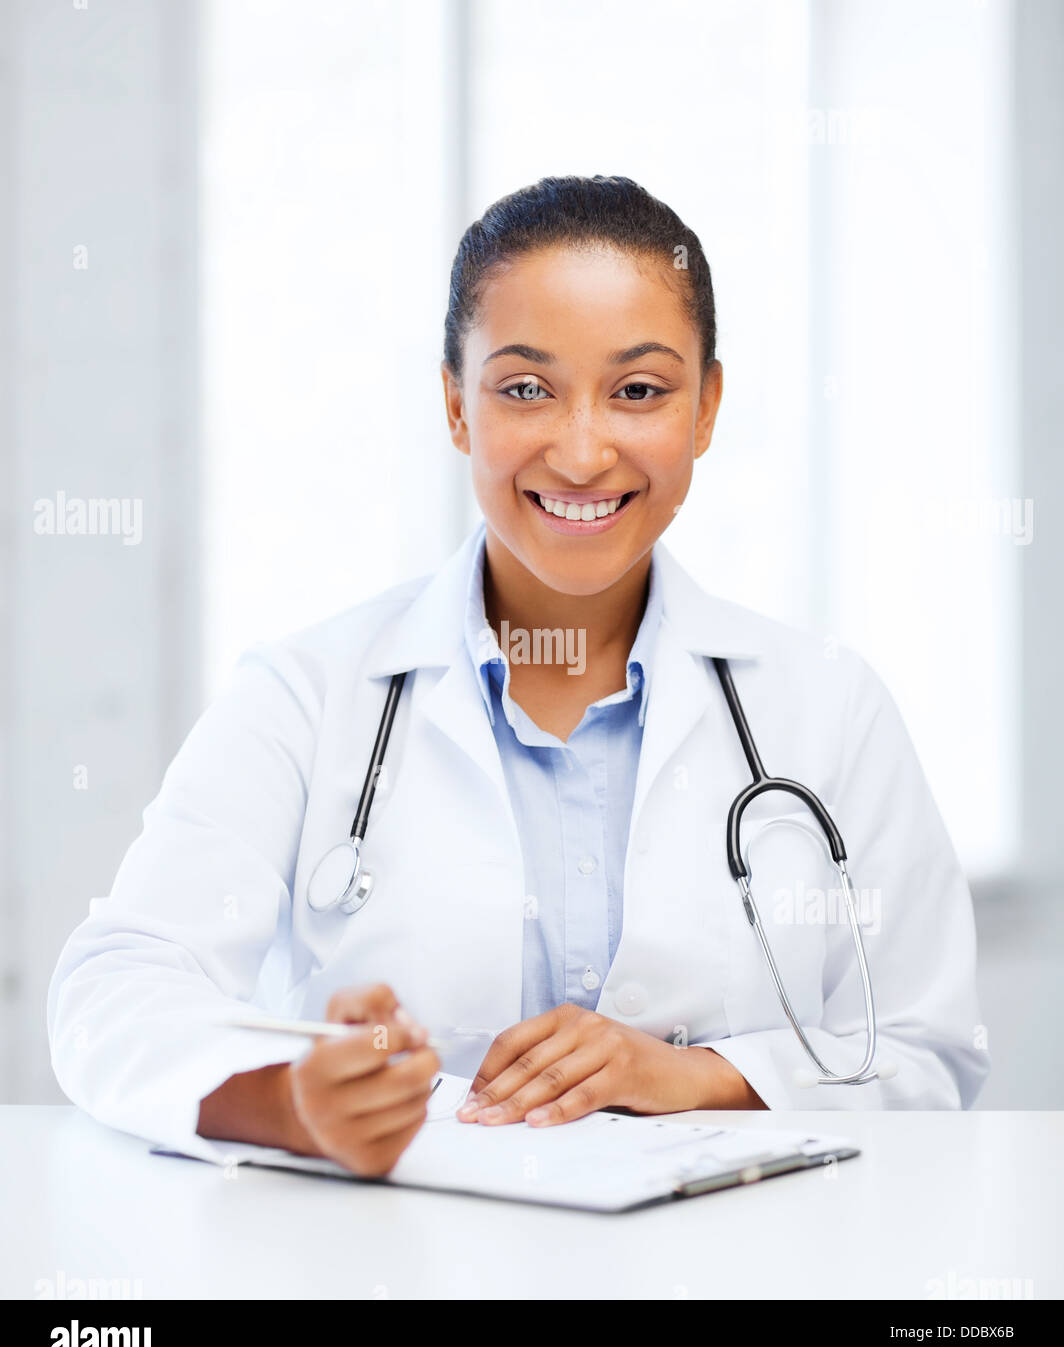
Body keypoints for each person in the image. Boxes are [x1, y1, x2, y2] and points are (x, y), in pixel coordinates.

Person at [47, 175, 989, 1180]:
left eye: (638, 390)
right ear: (456, 406)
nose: (581, 451)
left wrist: (701, 1075)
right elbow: (115, 988)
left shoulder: (826, 706)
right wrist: (289, 1102)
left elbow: (926, 1047)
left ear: (706, 407)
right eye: (525, 387)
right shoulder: (306, 695)